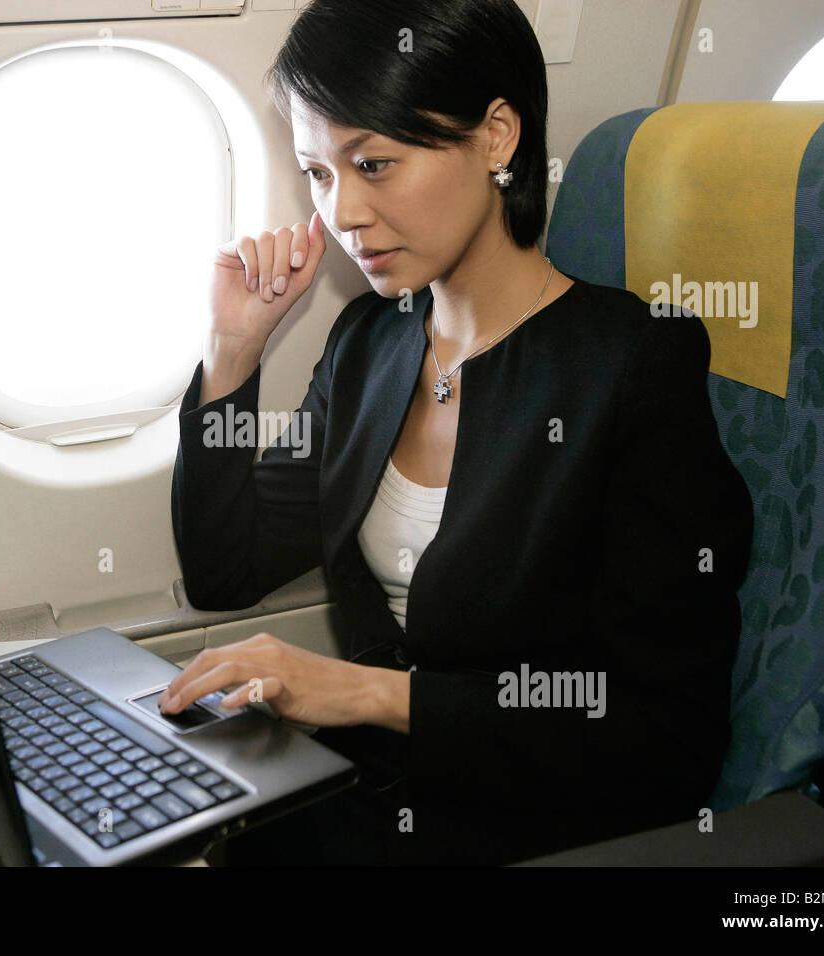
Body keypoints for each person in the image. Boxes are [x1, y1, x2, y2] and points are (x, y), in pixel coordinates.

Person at [164, 0, 755, 865]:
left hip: (538, 824)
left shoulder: (630, 367)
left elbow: (662, 737)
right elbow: (223, 571)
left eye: (374, 163)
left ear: (498, 138)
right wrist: (232, 353)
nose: (344, 214)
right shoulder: (371, 343)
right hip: (379, 794)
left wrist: (374, 695)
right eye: (318, 175)